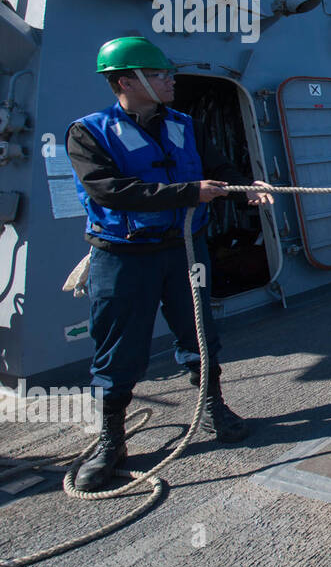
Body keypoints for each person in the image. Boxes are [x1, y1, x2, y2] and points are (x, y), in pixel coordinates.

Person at [66, 37, 274, 491]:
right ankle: (111, 440)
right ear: (127, 82)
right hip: (123, 256)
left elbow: (218, 167)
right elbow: (108, 190)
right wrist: (188, 193)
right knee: (118, 347)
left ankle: (213, 408)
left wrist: (244, 186)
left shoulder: (186, 124)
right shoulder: (88, 133)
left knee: (199, 330)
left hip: (184, 249)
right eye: (160, 74)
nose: (170, 80)